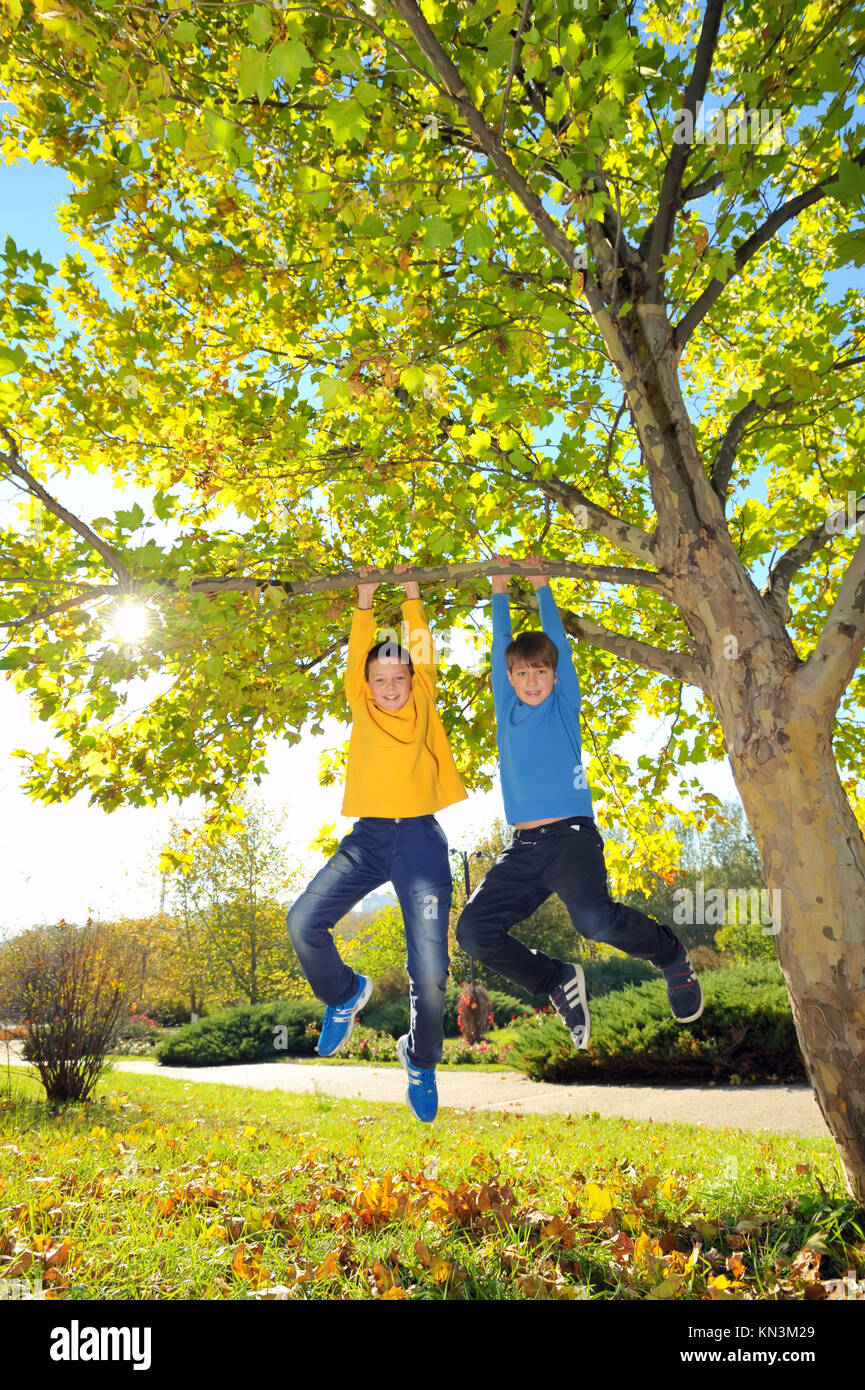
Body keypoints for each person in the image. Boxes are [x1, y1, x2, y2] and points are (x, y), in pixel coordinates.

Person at [456, 560, 703, 1049]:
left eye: (540, 672)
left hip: (570, 839)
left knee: (593, 920)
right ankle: (555, 981)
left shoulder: (562, 704)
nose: (531, 681)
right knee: (473, 932)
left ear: (553, 675)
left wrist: (543, 587)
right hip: (523, 848)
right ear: (509, 677)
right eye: (522, 673)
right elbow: (497, 649)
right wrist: (499, 591)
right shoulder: (506, 707)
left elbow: (560, 648)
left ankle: (670, 954)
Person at [287, 576, 466, 1121]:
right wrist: (364, 602)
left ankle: (421, 1056)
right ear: (365, 684)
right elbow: (357, 657)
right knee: (303, 922)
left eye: (399, 677)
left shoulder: (424, 702)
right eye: (379, 678)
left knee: (430, 967)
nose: (390, 686)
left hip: (420, 841)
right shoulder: (361, 706)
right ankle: (344, 993)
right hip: (368, 840)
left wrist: (412, 598)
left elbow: (423, 651)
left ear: (413, 679)